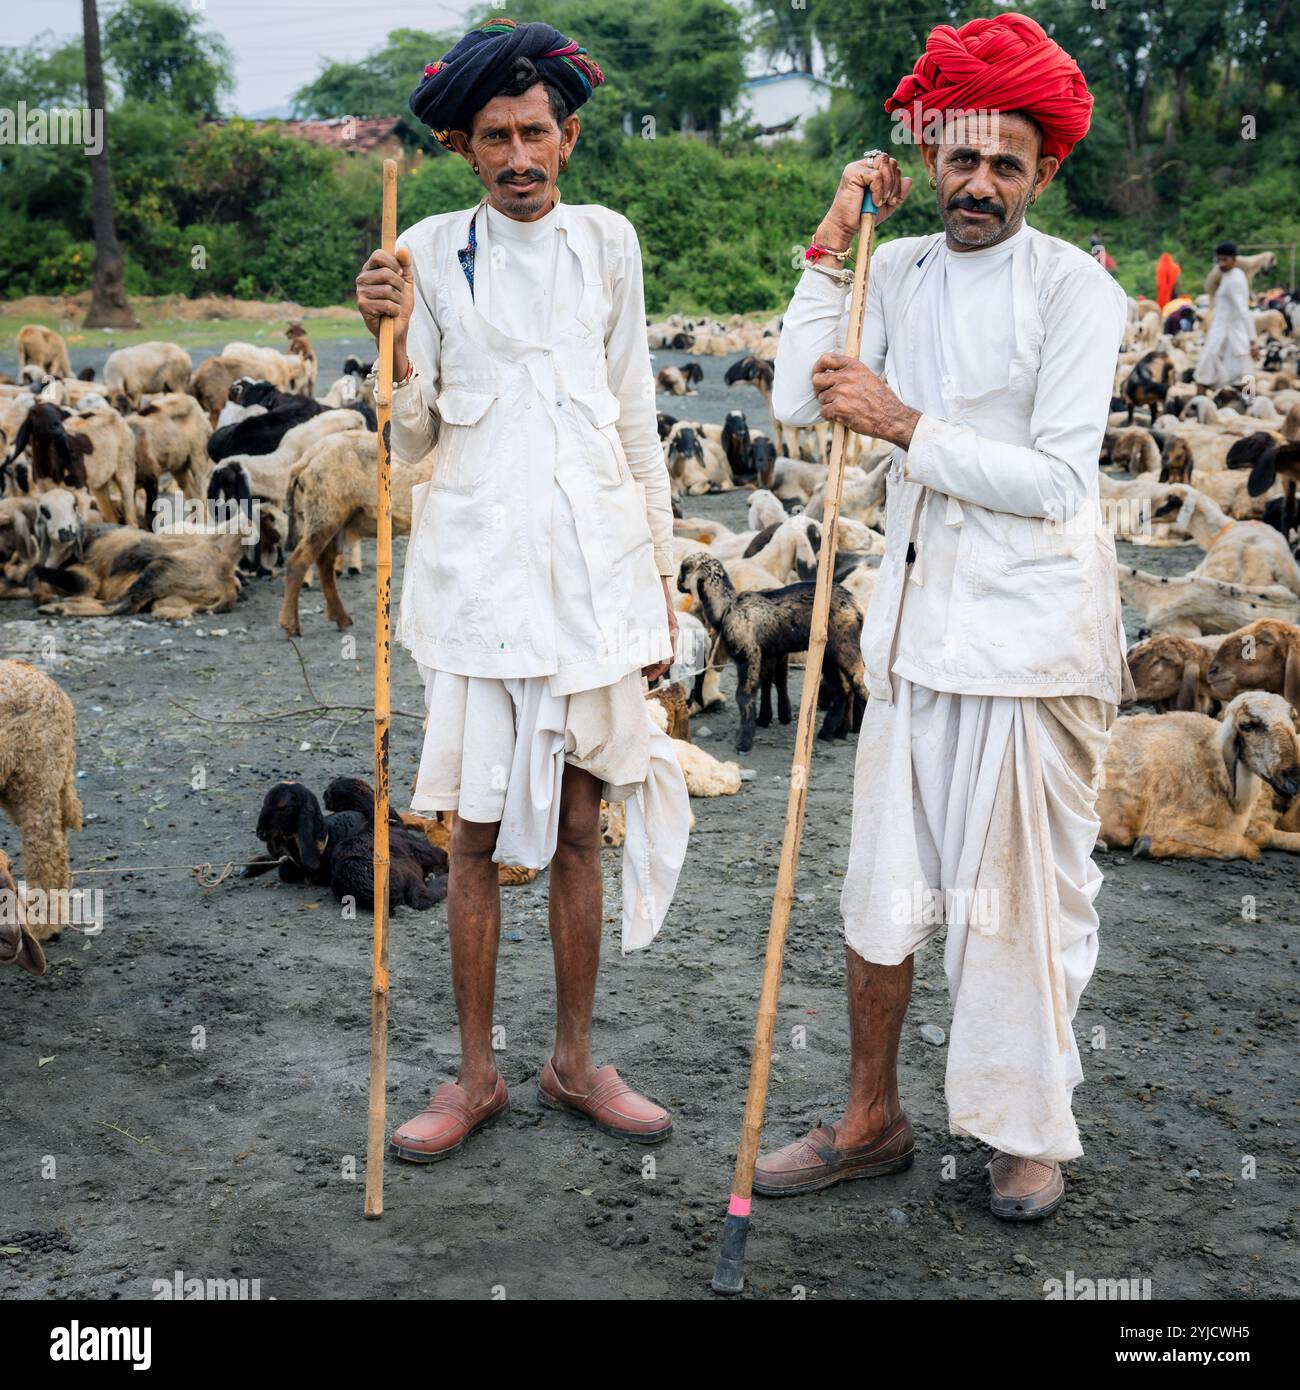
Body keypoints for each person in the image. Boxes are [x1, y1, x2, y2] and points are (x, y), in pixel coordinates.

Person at [759, 11, 1132, 1220]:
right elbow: (789, 394)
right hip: (915, 633)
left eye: (1004, 164)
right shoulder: (899, 269)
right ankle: (871, 1116)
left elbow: (1061, 482)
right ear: (930, 159)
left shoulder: (1073, 289)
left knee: (1020, 898)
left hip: (1032, 645)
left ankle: (1024, 1133)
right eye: (960, 158)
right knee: (885, 885)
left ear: (1044, 170)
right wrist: (831, 238)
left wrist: (908, 425)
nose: (978, 184)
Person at [355, 17, 688, 1165]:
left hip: (597, 579)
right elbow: (407, 442)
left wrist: (662, 574)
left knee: (586, 825)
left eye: (534, 132)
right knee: (473, 836)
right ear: (463, 146)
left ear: (569, 135)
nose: (517, 158)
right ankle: (476, 1073)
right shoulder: (432, 254)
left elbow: (635, 413)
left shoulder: (609, 243)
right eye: (493, 137)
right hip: (481, 580)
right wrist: (383, 341)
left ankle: (576, 1063)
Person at [1194, 241, 1255, 394]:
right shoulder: (1231, 276)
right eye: (1219, 260)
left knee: (1207, 371)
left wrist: (1253, 341)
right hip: (1223, 332)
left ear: (1234, 260)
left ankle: (1251, 411)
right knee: (1238, 373)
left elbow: (1243, 310)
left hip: (1230, 333)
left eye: (1225, 260)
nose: (1221, 264)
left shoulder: (1234, 280)